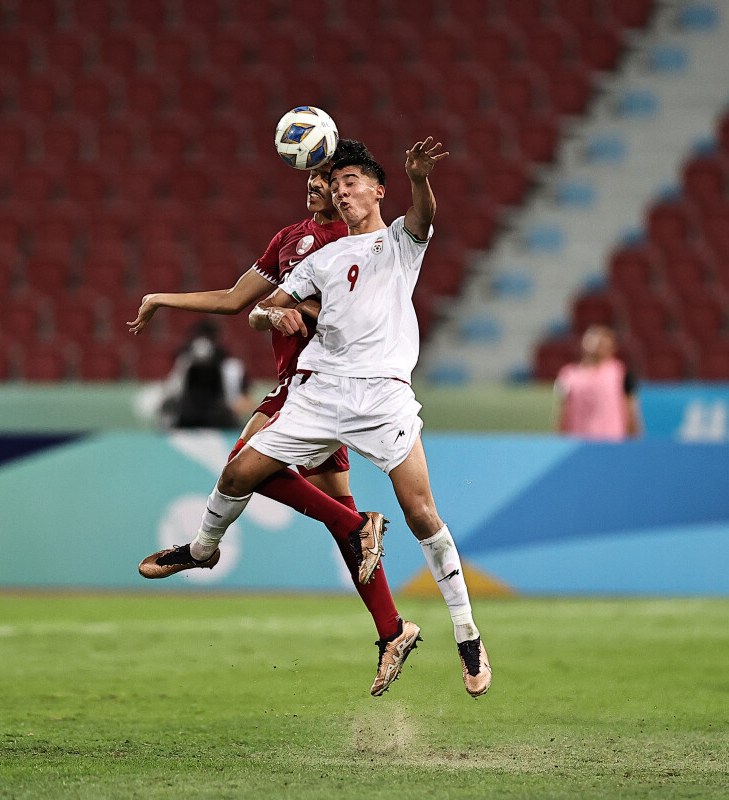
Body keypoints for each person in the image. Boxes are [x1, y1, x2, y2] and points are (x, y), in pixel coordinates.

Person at [139, 138, 492, 698]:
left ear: (378, 190)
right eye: (337, 183)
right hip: (319, 391)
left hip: (382, 397)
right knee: (236, 474)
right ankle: (205, 548)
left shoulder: (401, 242)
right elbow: (258, 308)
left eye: (353, 182)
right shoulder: (320, 258)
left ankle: (467, 635)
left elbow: (424, 215)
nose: (341, 191)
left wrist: (420, 178)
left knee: (422, 511)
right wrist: (272, 318)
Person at [555, 325, 642, 441]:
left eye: (604, 340)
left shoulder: (620, 373)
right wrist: (560, 440)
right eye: (594, 336)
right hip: (578, 443)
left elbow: (630, 409)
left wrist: (635, 441)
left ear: (612, 348)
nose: (598, 342)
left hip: (612, 443)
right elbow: (563, 411)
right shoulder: (568, 375)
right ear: (583, 342)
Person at [159, 320, 250, 429]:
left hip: (217, 416)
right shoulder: (184, 362)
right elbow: (173, 390)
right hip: (190, 415)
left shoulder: (230, 366)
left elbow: (236, 399)